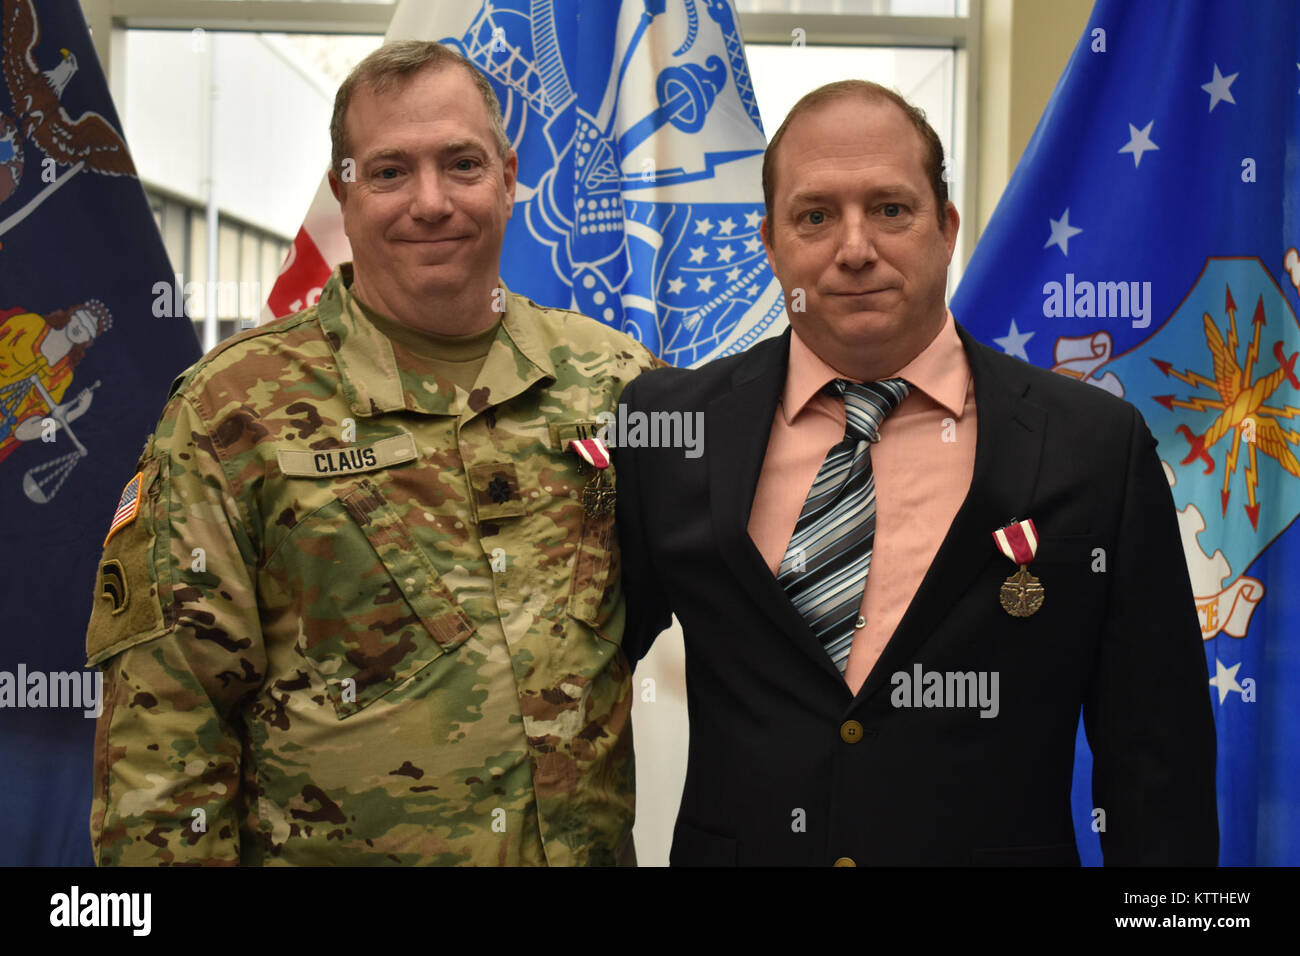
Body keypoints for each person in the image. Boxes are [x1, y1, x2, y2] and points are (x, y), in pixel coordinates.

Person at [616, 80, 1218, 866]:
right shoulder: (669, 431)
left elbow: (1157, 759)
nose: (855, 248)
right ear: (769, 243)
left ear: (947, 227)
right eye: (815, 216)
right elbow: (577, 669)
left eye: (891, 210)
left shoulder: (1095, 446)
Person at [85, 41, 657, 866]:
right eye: (390, 172)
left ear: (508, 177)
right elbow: (166, 735)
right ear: (342, 195)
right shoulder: (230, 411)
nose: (432, 202)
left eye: (462, 164)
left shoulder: (618, 384)